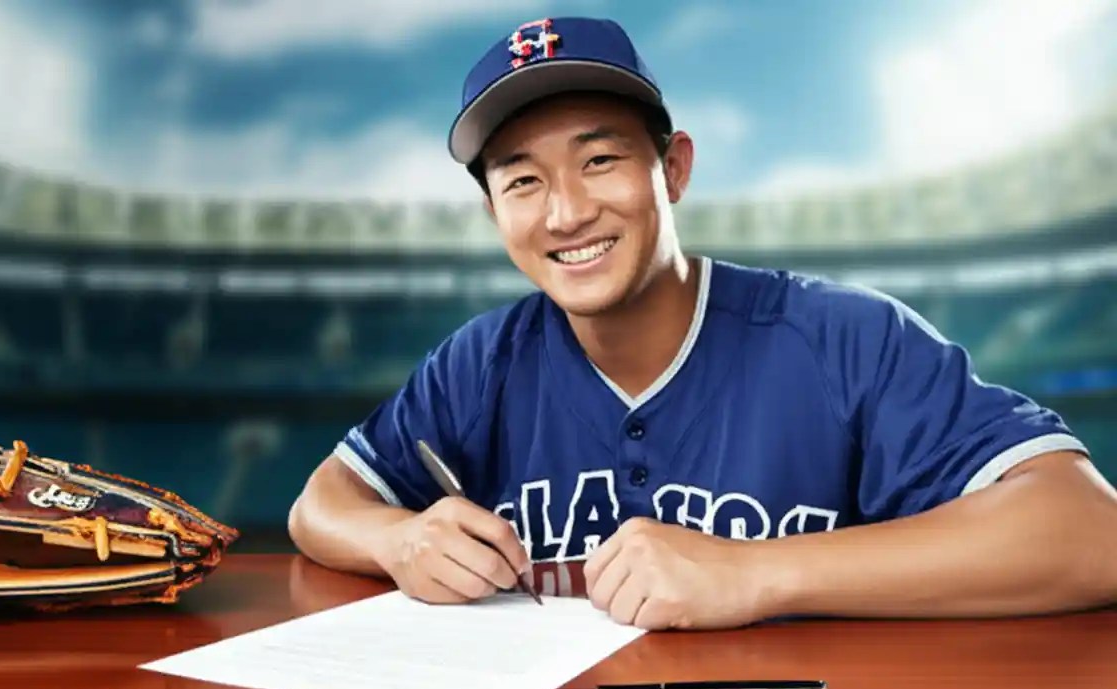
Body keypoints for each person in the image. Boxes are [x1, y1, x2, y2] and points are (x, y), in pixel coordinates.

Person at [288, 16, 1117, 630]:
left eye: (600, 160)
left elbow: (1089, 532)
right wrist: (398, 539)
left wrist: (756, 573)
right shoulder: (481, 362)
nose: (567, 212)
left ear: (673, 169)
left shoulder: (840, 338)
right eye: (523, 181)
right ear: (495, 209)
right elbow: (321, 504)